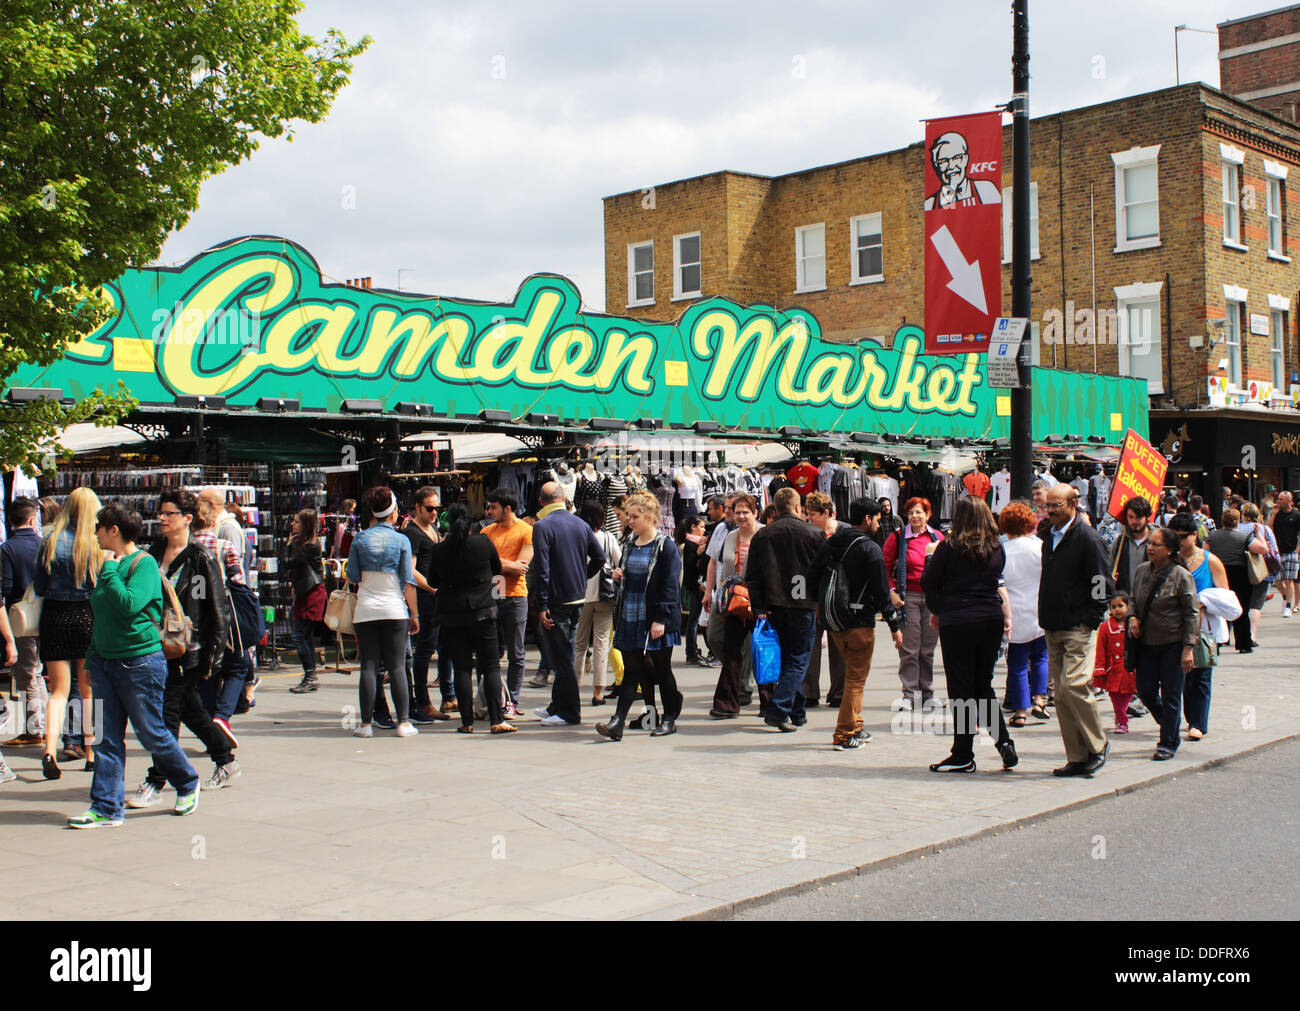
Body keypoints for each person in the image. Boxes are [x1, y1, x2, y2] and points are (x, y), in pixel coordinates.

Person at [73, 503, 200, 827]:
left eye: (98, 527)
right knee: (104, 736)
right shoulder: (110, 565)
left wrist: (110, 571)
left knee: (150, 733)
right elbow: (102, 616)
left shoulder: (140, 564)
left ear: (113, 530)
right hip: (105, 661)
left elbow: (129, 604)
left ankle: (187, 781)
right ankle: (105, 807)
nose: (95, 534)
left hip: (139, 660)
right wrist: (92, 658)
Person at [130, 488, 237, 802]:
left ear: (187, 519)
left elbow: (214, 609)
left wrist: (211, 657)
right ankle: (226, 760)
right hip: (155, 645)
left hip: (185, 650)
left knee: (166, 717)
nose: (161, 518)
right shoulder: (153, 552)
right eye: (160, 513)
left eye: (169, 514)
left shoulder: (199, 559)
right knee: (192, 712)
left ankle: (158, 780)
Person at [921, 498, 1017, 773]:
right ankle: (1003, 742)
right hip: (990, 617)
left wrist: (940, 607)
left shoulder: (948, 547)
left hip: (958, 620)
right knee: (982, 685)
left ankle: (963, 752)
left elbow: (930, 582)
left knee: (961, 689)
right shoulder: (997, 546)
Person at [806, 497, 903, 750]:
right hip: (860, 622)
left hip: (835, 620)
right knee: (855, 680)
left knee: (853, 676)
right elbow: (882, 592)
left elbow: (812, 576)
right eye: (879, 520)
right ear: (868, 519)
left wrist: (824, 602)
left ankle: (856, 725)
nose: (880, 525)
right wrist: (895, 626)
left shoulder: (832, 542)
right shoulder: (870, 548)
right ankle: (844, 733)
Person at [1038, 483, 1113, 777]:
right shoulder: (1048, 534)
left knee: (1074, 685)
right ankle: (1077, 756)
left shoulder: (1087, 537)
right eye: (1048, 506)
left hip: (1078, 624)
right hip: (1053, 622)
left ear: (1073, 503)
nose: (1051, 511)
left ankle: (1098, 744)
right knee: (1062, 694)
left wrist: (1092, 617)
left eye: (1056, 505)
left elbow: (1100, 581)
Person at [596, 492, 683, 740]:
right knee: (633, 670)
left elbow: (670, 585)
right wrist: (619, 576)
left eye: (634, 517)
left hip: (655, 618)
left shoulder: (665, 546)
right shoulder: (630, 543)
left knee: (662, 669)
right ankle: (619, 722)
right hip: (631, 615)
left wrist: (661, 619)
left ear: (649, 517)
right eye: (628, 516)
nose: (629, 521)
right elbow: (629, 573)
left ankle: (668, 718)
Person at [33, 487, 101, 780]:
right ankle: (90, 753)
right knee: (87, 689)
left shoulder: (49, 539)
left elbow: (38, 585)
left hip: (54, 615)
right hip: (85, 615)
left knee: (58, 690)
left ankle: (50, 750)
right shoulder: (94, 543)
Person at [744, 487, 823, 732]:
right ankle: (778, 710)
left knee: (788, 659)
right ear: (798, 507)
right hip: (803, 604)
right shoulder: (814, 533)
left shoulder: (763, 535)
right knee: (798, 660)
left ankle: (796, 712)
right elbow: (823, 571)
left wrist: (758, 607)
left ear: (775, 509)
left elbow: (753, 576)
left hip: (773, 605)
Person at [431, 503, 514, 734]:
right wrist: (498, 600)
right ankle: (497, 719)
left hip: (452, 614)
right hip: (484, 611)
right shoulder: (482, 542)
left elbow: (434, 581)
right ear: (470, 523)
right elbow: (498, 571)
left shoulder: (439, 549)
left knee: (462, 668)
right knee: (491, 667)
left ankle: (466, 721)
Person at [347, 486, 420, 738]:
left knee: (368, 666)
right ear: (393, 512)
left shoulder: (359, 539)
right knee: (397, 667)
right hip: (394, 608)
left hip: (366, 609)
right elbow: (408, 579)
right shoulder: (402, 540)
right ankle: (404, 722)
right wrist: (415, 614)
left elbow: (353, 575)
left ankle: (366, 725)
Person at [533, 481, 606, 727]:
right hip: (577, 596)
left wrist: (541, 604)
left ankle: (569, 712)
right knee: (565, 651)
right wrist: (581, 575)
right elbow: (600, 557)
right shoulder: (580, 524)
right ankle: (557, 706)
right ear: (564, 498)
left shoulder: (542, 526)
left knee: (561, 657)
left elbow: (542, 568)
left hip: (556, 598)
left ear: (541, 501)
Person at [1128, 528, 1199, 761]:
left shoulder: (1180, 575)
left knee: (1171, 694)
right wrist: (1132, 617)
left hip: (1173, 644)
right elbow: (1131, 599)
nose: (1150, 548)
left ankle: (1168, 741)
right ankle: (1169, 722)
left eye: (1156, 544)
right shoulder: (1141, 572)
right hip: (1146, 644)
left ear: (1169, 550)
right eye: (1150, 543)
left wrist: (1189, 648)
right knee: (1145, 690)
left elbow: (1191, 613)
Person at [881, 496, 944, 712]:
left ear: (928, 515)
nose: (915, 516)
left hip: (932, 599)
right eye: (911, 513)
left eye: (919, 512)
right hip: (908, 598)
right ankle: (910, 694)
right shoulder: (898, 537)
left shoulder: (937, 537)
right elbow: (885, 566)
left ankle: (928, 692)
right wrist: (891, 592)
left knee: (927, 649)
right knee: (909, 648)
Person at [1169, 512, 1228, 741]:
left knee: (1202, 677)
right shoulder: (1170, 560)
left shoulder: (1210, 560)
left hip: (1204, 630)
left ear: (1195, 535)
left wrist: (1204, 601)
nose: (1179, 541)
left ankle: (1199, 724)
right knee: (1182, 678)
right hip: (1175, 628)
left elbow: (1226, 596)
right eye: (1175, 537)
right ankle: (1190, 718)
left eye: (1183, 536)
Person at [708, 494, 762, 719]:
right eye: (736, 512)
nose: (740, 516)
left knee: (757, 648)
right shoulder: (730, 536)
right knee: (719, 640)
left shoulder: (764, 534)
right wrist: (717, 595)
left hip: (758, 601)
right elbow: (723, 566)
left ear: (755, 513)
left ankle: (763, 702)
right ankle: (729, 699)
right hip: (732, 599)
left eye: (744, 512)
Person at [401, 487, 452, 721]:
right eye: (430, 508)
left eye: (437, 508)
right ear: (418, 507)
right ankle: (423, 702)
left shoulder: (432, 528)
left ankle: (448, 696)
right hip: (425, 598)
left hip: (438, 598)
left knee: (445, 647)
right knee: (424, 651)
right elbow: (411, 571)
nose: (434, 513)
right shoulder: (412, 533)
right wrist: (433, 588)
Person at [481, 488, 533, 717]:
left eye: (493, 507)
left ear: (507, 508)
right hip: (491, 594)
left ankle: (512, 700)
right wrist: (506, 565)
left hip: (515, 596)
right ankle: (489, 700)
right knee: (488, 651)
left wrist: (497, 563)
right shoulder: (485, 532)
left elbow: (523, 565)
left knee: (516, 653)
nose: (489, 511)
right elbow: (484, 563)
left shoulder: (526, 531)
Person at [998, 501, 1048, 727]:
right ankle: (1039, 699)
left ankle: (1020, 711)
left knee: (1017, 663)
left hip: (1013, 613)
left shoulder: (1003, 551)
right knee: (1040, 657)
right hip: (1039, 608)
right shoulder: (1039, 547)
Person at [2, 498, 47, 747]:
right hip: (47, 615)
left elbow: (6, 587)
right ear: (32, 520)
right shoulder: (43, 545)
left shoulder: (8, 548)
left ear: (10, 521)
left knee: (27, 674)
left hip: (21, 618)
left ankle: (34, 729)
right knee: (38, 671)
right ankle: (41, 724)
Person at [802, 492, 847, 708]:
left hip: (839, 596)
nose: (808, 518)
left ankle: (839, 692)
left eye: (812, 514)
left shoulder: (844, 532)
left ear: (826, 513)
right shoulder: (808, 533)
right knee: (810, 644)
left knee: (839, 646)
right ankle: (809, 692)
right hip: (813, 596)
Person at [1206, 508, 1268, 653]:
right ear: (1238, 521)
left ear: (1222, 520)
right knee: (1241, 608)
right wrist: (1259, 534)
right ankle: (1243, 644)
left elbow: (1206, 553)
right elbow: (1263, 549)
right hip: (1240, 575)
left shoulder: (1212, 537)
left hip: (1219, 573)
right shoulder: (1244, 537)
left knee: (1218, 608)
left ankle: (1219, 641)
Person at [578, 500, 621, 705]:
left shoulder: (578, 536)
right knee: (601, 643)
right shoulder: (607, 537)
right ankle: (598, 692)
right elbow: (619, 561)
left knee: (579, 644)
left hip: (581, 595)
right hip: (605, 594)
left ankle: (574, 688)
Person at [284, 509, 326, 694]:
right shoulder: (303, 542)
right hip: (305, 591)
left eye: (297, 522)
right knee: (304, 635)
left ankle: (310, 676)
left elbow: (288, 562)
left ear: (306, 525)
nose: (293, 525)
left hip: (312, 592)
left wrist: (286, 546)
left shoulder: (310, 545)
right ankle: (310, 675)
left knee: (300, 635)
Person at [1092, 593, 1137, 733]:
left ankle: (1120, 718)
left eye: (1120, 606)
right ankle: (1122, 721)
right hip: (1112, 670)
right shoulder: (1105, 627)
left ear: (1128, 607)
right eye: (1113, 607)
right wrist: (1099, 668)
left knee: (1127, 695)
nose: (1117, 610)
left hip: (1129, 670)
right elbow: (1100, 649)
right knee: (1114, 696)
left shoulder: (1133, 625)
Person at [1239, 502, 1277, 647]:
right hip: (1260, 570)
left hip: (1241, 569)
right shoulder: (1264, 529)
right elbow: (1273, 550)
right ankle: (1252, 636)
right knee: (1256, 605)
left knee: (1242, 602)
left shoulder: (1237, 528)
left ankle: (1232, 636)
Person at [675, 514, 707, 666]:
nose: (704, 530)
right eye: (701, 527)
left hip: (696, 584)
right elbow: (689, 564)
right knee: (693, 619)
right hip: (693, 585)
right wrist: (698, 554)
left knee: (695, 618)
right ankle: (691, 651)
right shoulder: (690, 544)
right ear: (693, 527)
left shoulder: (695, 543)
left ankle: (693, 649)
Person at [1108, 495, 1153, 596]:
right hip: (1125, 603)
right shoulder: (1119, 543)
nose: (1134, 521)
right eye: (1131, 517)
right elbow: (1108, 570)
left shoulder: (1157, 541)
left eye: (1139, 517)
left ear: (1147, 517)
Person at [1269, 491, 1300, 616]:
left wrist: (1297, 551)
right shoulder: (1277, 515)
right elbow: (1268, 528)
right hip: (1277, 552)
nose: (1278, 502)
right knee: (1277, 581)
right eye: (1278, 499)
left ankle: (1288, 606)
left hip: (1291, 551)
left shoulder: (1296, 515)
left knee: (1289, 580)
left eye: (1281, 499)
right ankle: (1285, 597)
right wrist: (1274, 514)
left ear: (1288, 500)